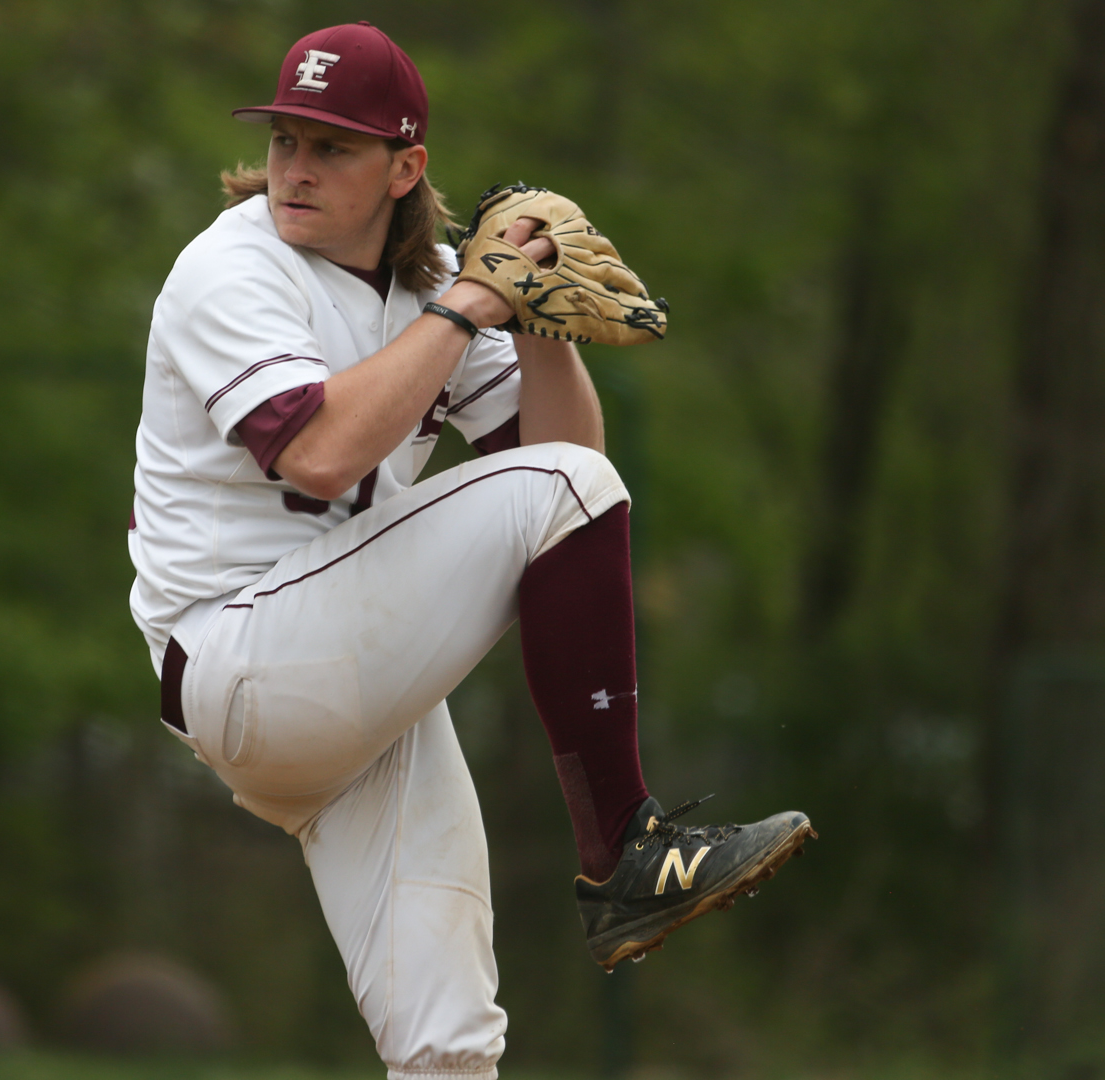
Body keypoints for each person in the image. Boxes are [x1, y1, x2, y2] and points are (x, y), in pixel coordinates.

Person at [128, 22, 816, 1080]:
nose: (296, 169)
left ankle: (617, 867)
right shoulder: (234, 266)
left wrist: (537, 318)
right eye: (285, 140)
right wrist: (470, 306)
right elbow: (316, 453)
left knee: (449, 1048)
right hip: (242, 657)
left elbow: (565, 471)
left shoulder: (438, 285)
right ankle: (623, 851)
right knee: (566, 493)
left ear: (406, 168)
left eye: (333, 147)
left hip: (349, 679)